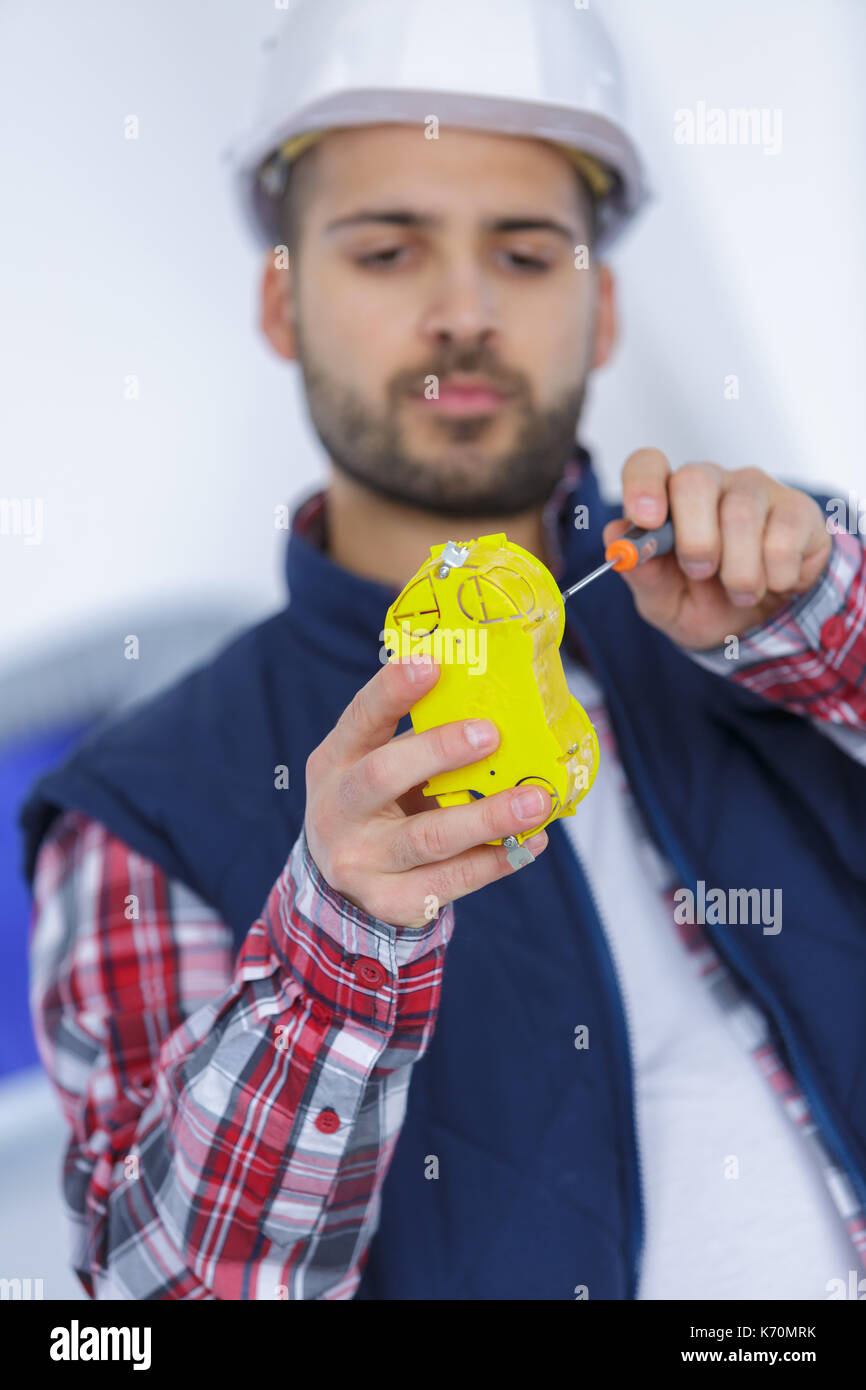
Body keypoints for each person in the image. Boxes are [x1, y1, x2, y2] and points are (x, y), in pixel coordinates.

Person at [20, 0, 866, 1301]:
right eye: (387, 251)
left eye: (527, 255)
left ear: (604, 311)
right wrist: (341, 938)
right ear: (280, 303)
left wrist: (828, 636)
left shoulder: (795, 582)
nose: (464, 312)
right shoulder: (136, 810)